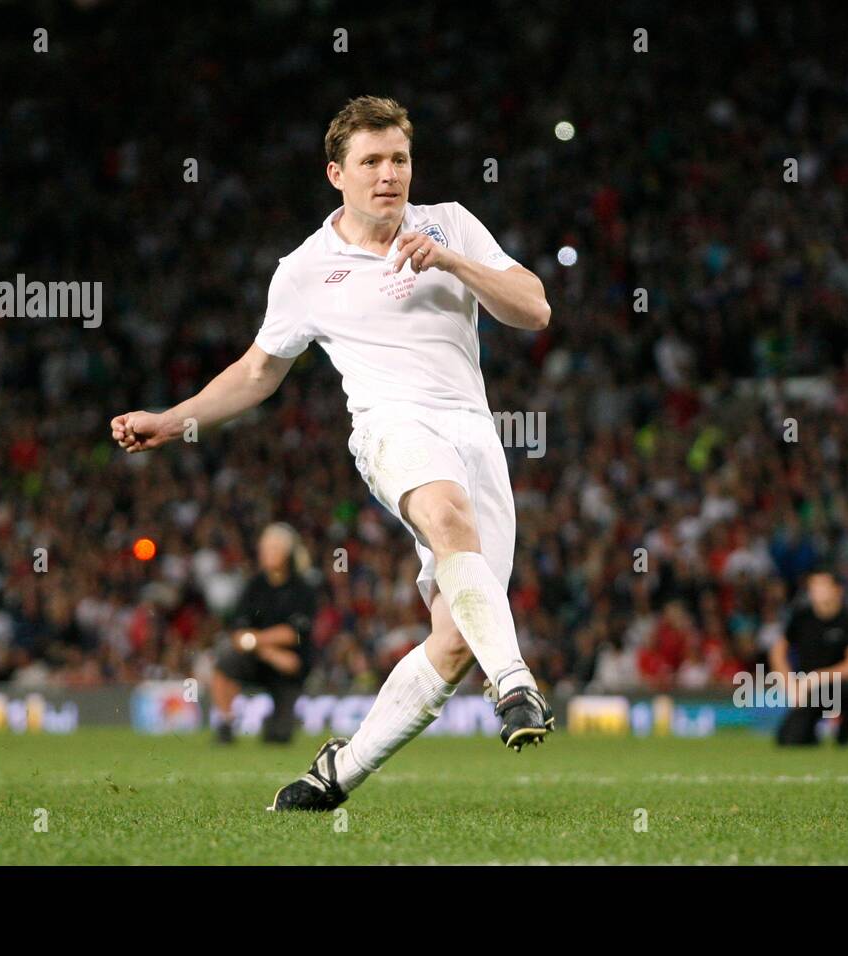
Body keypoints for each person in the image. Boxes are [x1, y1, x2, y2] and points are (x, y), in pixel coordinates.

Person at [110, 95, 555, 811]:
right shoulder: (305, 270)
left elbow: (534, 309)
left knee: (453, 640)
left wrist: (449, 261)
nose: (389, 175)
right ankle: (516, 684)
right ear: (335, 174)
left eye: (399, 159)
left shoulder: (451, 224)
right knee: (445, 515)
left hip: (476, 433)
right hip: (391, 428)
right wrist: (172, 419)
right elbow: (258, 372)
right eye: (371, 161)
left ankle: (337, 774)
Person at [211, 523, 317, 744]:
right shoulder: (253, 587)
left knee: (279, 737)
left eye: (273, 549)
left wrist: (254, 640)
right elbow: (238, 635)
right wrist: (268, 651)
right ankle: (226, 721)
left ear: (287, 553)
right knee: (225, 656)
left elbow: (293, 634)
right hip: (267, 659)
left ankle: (276, 722)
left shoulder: (302, 589)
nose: (267, 554)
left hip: (289, 673)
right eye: (265, 549)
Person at [769, 570, 848, 746]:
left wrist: (817, 677)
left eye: (823, 585)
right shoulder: (801, 618)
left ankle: (844, 732)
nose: (817, 591)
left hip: (838, 687)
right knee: (788, 740)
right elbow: (777, 652)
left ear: (838, 590)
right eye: (814, 586)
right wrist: (789, 683)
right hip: (809, 693)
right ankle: (810, 733)